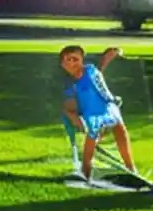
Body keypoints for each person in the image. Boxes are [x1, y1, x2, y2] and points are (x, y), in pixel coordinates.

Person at [58, 45, 136, 181]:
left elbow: (101, 65)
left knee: (120, 130)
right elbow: (68, 106)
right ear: (63, 65)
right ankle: (85, 172)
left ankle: (131, 168)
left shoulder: (90, 69)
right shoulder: (69, 84)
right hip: (92, 113)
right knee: (92, 139)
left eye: (75, 59)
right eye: (68, 60)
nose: (72, 63)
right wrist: (74, 117)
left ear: (82, 60)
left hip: (108, 106)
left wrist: (114, 53)